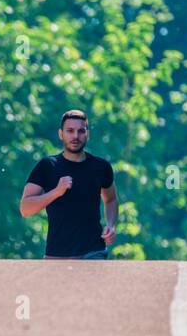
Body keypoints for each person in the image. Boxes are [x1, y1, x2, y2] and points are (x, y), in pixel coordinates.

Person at [19, 109, 118, 259]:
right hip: (56, 256)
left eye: (80, 131)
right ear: (61, 134)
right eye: (70, 131)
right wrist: (56, 192)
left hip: (93, 252)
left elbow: (111, 200)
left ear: (87, 134)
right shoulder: (47, 166)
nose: (75, 136)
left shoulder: (100, 167)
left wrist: (110, 225)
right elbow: (25, 208)